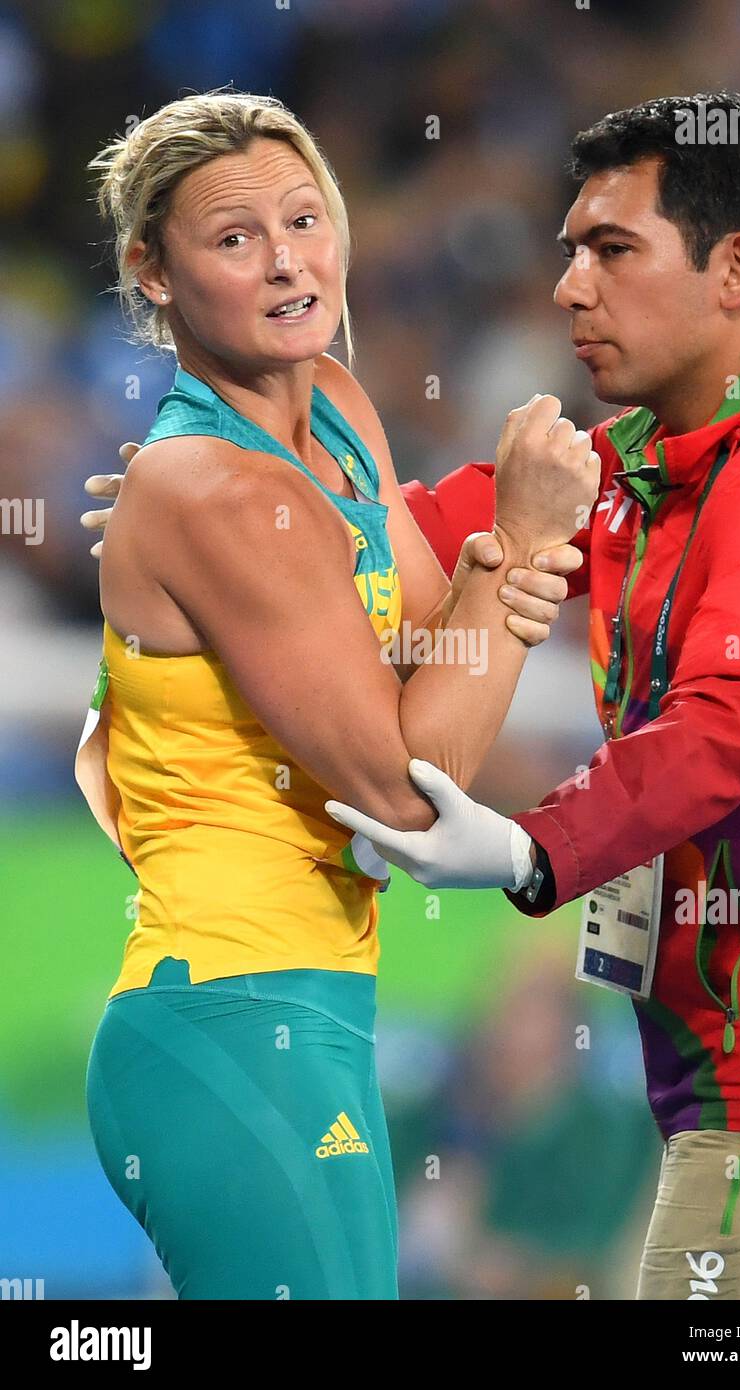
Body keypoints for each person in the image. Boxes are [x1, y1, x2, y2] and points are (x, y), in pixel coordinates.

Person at [318, 93, 740, 1300]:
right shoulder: (642, 462)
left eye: (611, 250)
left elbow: (735, 721)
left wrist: (529, 847)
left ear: (734, 271)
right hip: (739, 1102)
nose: (569, 286)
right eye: (570, 250)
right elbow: (395, 560)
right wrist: (229, 499)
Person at [77, 89, 601, 1301]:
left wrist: (492, 587)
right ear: (150, 274)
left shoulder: (347, 418)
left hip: (311, 1011)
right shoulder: (204, 489)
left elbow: (437, 672)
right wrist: (516, 549)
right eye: (233, 238)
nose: (286, 263)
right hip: (222, 1018)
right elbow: (411, 800)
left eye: (305, 219)